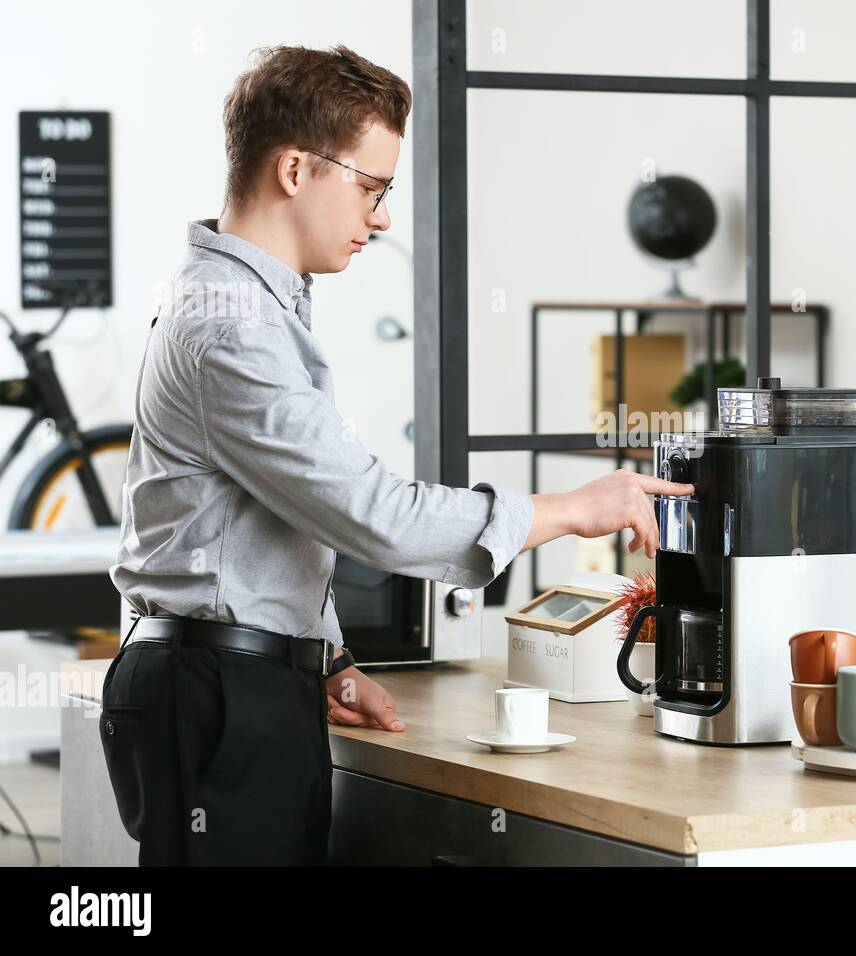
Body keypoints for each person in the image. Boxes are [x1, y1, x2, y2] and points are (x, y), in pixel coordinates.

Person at [101, 44, 692, 866]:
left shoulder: (246, 307)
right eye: (373, 188)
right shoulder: (233, 326)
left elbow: (267, 523)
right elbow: (371, 515)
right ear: (297, 168)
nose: (381, 217)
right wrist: (570, 511)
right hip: (220, 698)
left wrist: (330, 658)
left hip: (238, 688)